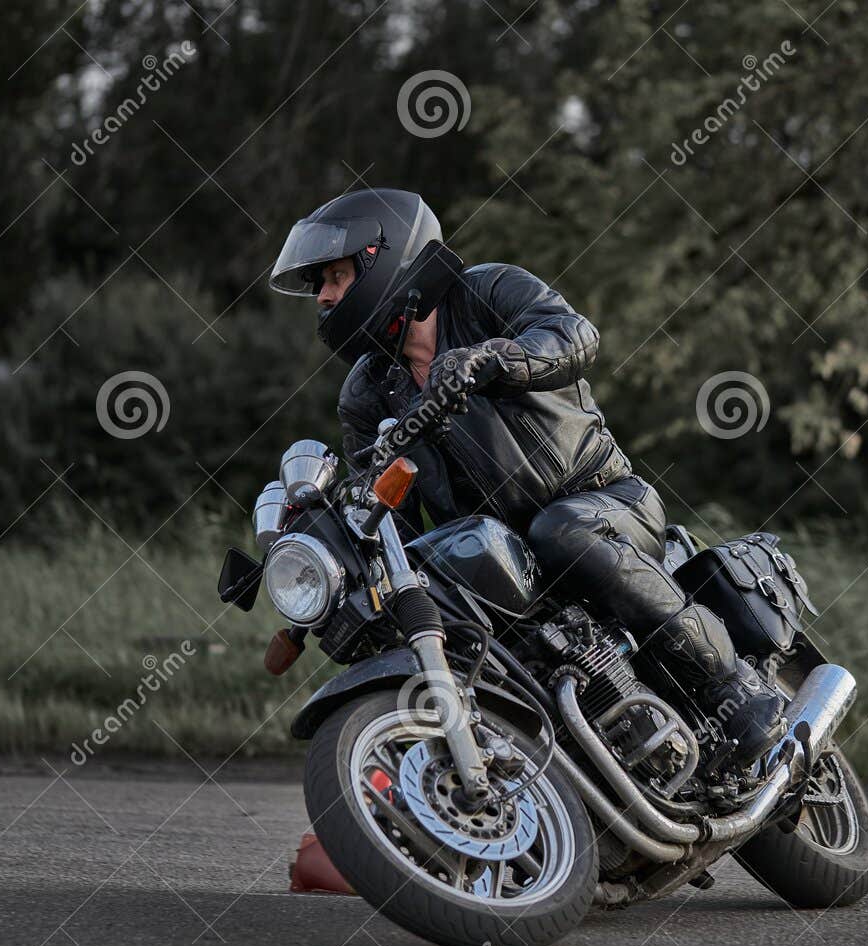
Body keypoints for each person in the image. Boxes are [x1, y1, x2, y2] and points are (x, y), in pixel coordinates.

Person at [269, 187, 784, 765]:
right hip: (506, 556)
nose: (325, 297)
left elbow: (573, 335)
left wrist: (493, 359)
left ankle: (732, 684)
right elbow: (389, 512)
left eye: (336, 277)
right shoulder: (366, 393)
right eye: (321, 285)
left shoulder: (484, 291)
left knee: (561, 529)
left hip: (603, 501)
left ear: (380, 259)